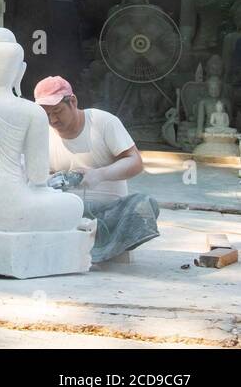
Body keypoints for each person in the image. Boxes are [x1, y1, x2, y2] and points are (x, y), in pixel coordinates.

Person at [34, 75, 160, 263]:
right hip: (68, 213)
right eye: (46, 114)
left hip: (109, 213)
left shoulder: (103, 122)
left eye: (57, 111)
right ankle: (93, 246)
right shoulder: (42, 132)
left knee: (144, 204)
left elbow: (135, 162)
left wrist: (99, 174)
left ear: (73, 102)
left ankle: (100, 244)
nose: (53, 119)